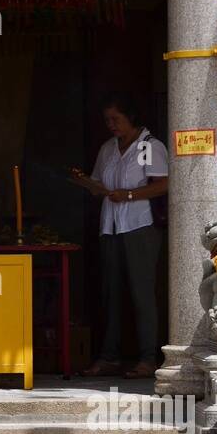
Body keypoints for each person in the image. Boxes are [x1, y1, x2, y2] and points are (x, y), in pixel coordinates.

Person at [74, 94, 169, 379]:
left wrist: (128, 195)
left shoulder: (149, 146)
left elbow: (164, 184)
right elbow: (100, 183)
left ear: (131, 117)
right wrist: (88, 184)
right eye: (108, 120)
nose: (111, 125)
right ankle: (109, 357)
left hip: (140, 224)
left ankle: (148, 358)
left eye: (116, 119)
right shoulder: (107, 148)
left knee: (142, 293)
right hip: (111, 225)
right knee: (110, 292)